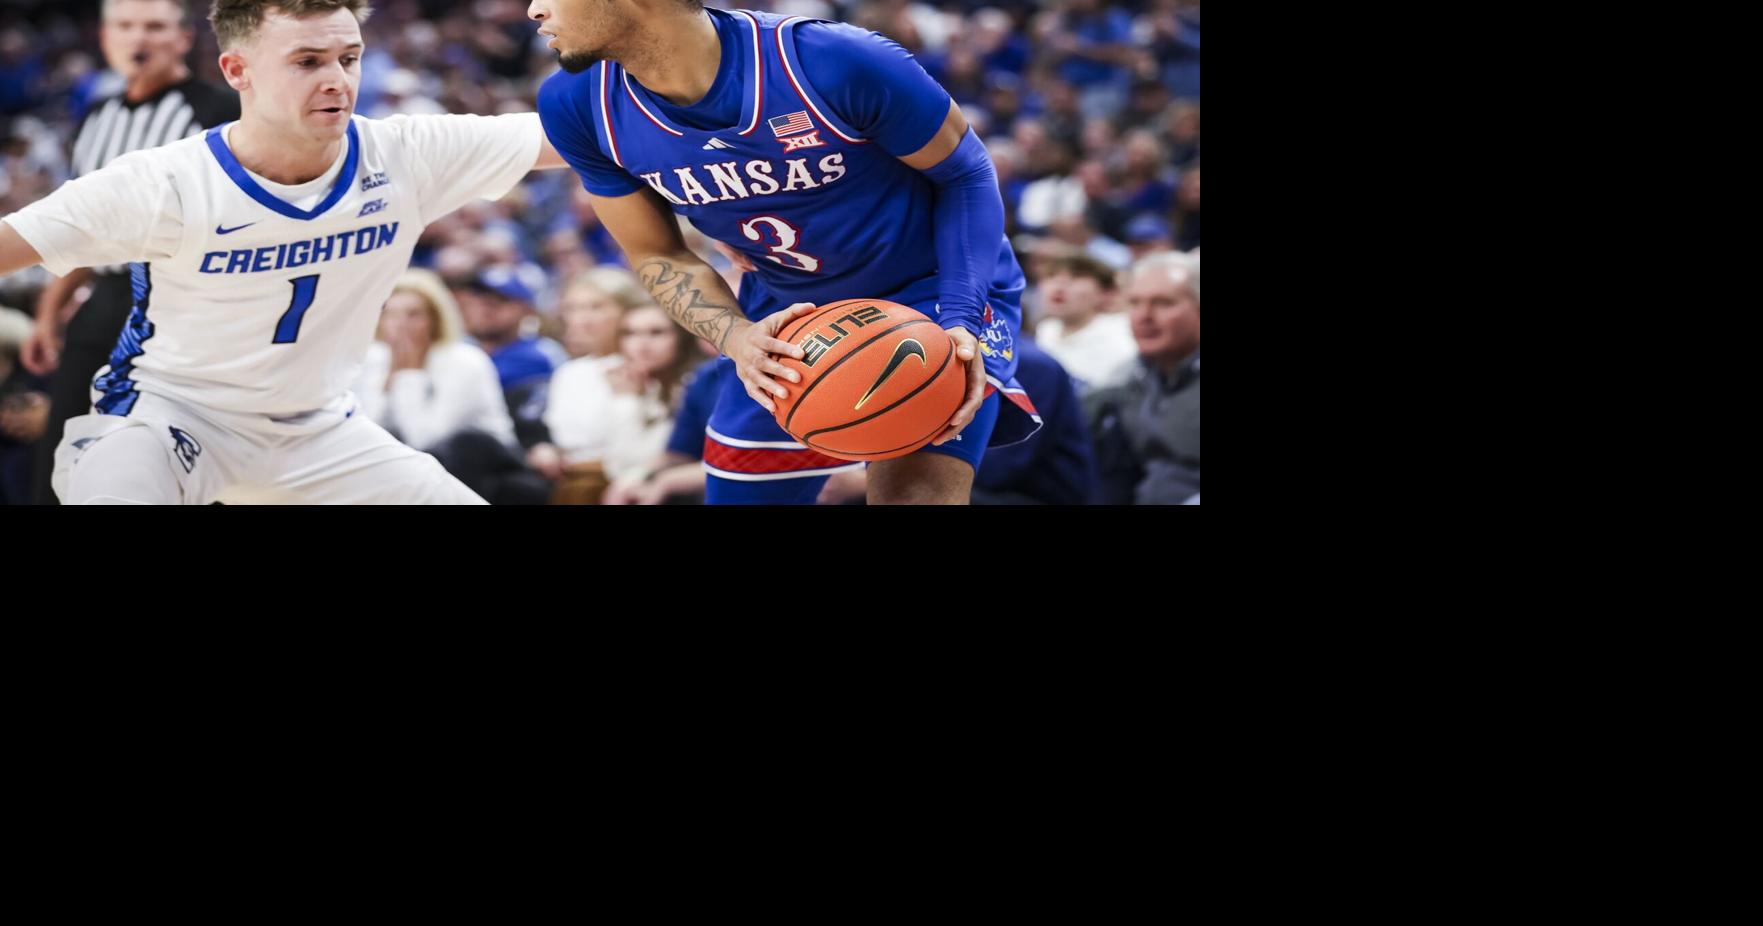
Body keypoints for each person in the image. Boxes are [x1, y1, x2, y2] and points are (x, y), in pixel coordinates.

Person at [0, 0, 568, 504]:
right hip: (171, 419)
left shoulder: (406, 154)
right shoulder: (162, 184)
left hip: (320, 427)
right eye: (307, 62)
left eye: (349, 58)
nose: (337, 80)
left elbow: (578, 134)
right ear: (237, 70)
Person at [530, 0, 1040, 504]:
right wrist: (735, 337)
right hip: (787, 316)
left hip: (931, 290)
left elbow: (967, 174)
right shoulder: (574, 103)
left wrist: (961, 316)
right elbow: (657, 254)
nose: (533, 10)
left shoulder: (830, 60)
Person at [20, 0, 241, 504]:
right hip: (106, 298)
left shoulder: (218, 111)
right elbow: (83, 226)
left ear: (184, 38)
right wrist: (49, 314)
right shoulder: (98, 114)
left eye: (155, 26)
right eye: (125, 26)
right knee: (63, 448)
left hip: (185, 305)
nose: (139, 39)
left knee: (171, 454)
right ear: (105, 37)